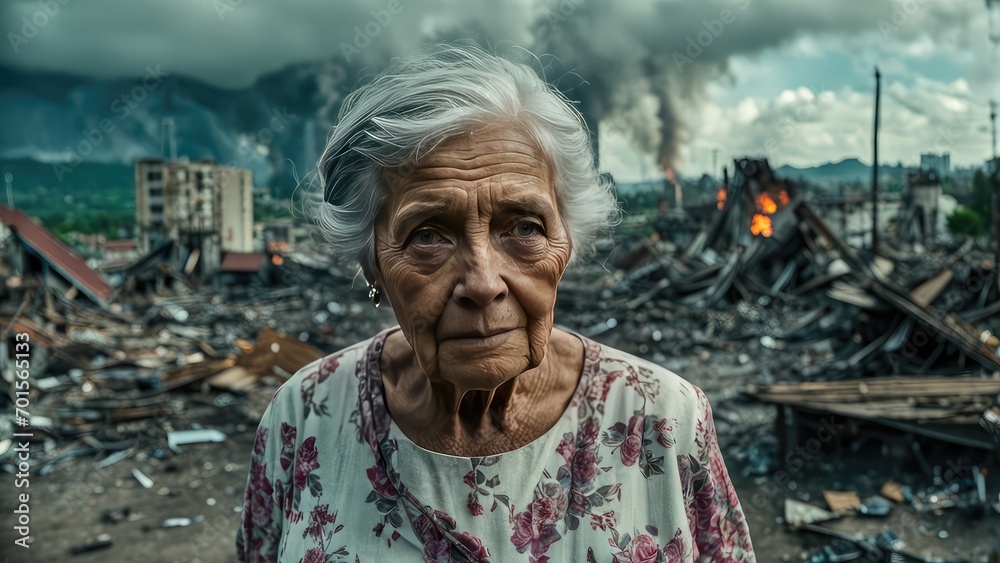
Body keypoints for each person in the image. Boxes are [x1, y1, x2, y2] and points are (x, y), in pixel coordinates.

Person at [237, 44, 755, 563]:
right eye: (428, 236)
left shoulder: (664, 420)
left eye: (524, 227)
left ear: (566, 244)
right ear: (373, 264)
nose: (483, 284)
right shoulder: (302, 417)